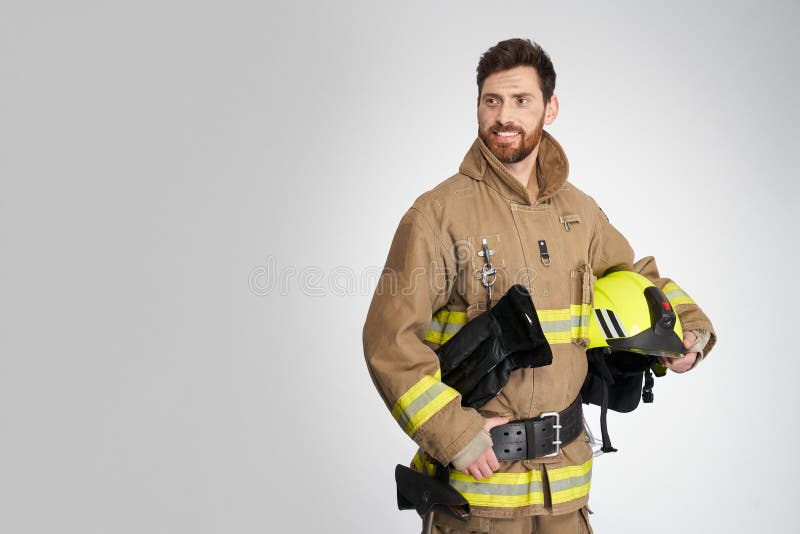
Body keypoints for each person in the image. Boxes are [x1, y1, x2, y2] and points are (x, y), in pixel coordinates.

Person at [362, 38, 716, 534]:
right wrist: (452, 431)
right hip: (477, 502)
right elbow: (389, 342)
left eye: (521, 100)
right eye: (492, 100)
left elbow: (633, 278)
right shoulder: (437, 216)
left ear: (550, 109)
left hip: (566, 494)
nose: (503, 116)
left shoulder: (580, 212)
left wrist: (687, 331)